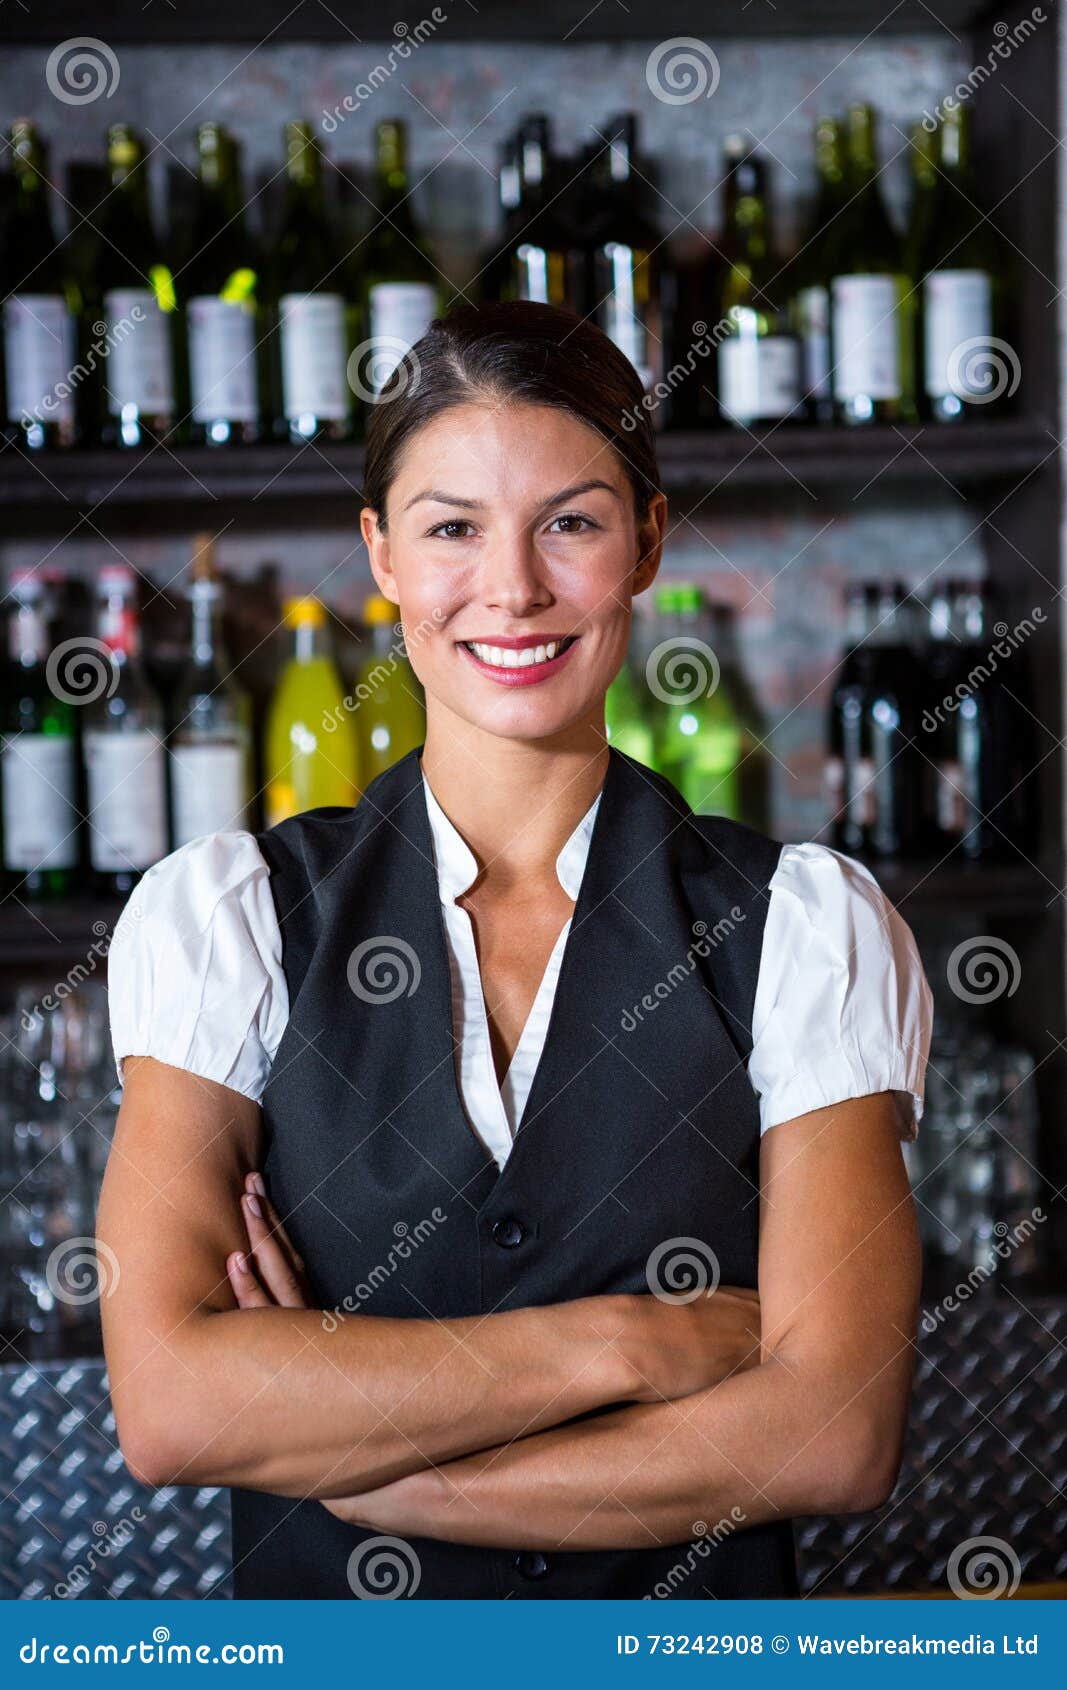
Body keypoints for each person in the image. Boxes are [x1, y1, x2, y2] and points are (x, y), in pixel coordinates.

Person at [99, 300, 932, 1600]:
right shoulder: (232, 916)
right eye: (451, 529)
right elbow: (170, 1406)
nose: (514, 588)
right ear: (378, 551)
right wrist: (636, 1341)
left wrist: (378, 1465)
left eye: (574, 521)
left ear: (648, 539)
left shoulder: (808, 928)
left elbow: (834, 1432)